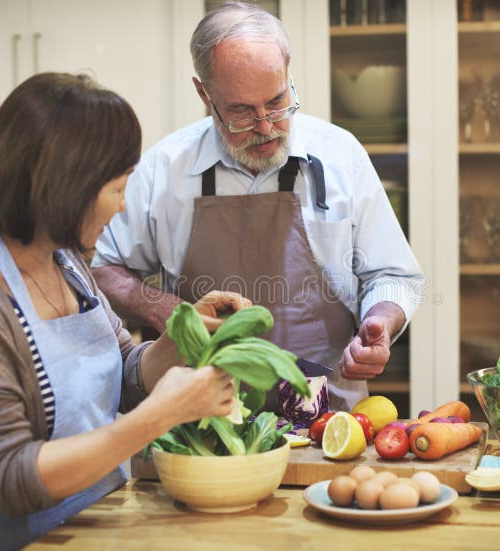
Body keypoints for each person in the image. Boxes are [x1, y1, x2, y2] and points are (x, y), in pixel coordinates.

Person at [0, 72, 250, 551]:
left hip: (95, 527)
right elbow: (11, 480)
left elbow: (127, 378)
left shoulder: (66, 260)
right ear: (63, 186)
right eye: (117, 187)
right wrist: (160, 417)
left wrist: (182, 334)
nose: (121, 206)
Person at [92, 1, 424, 412]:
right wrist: (165, 310)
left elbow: (393, 274)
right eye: (242, 112)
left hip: (328, 421)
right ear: (204, 93)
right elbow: (102, 269)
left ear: (287, 72)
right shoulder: (165, 168)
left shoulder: (341, 155)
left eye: (277, 101)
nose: (266, 127)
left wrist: (381, 322)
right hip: (203, 419)